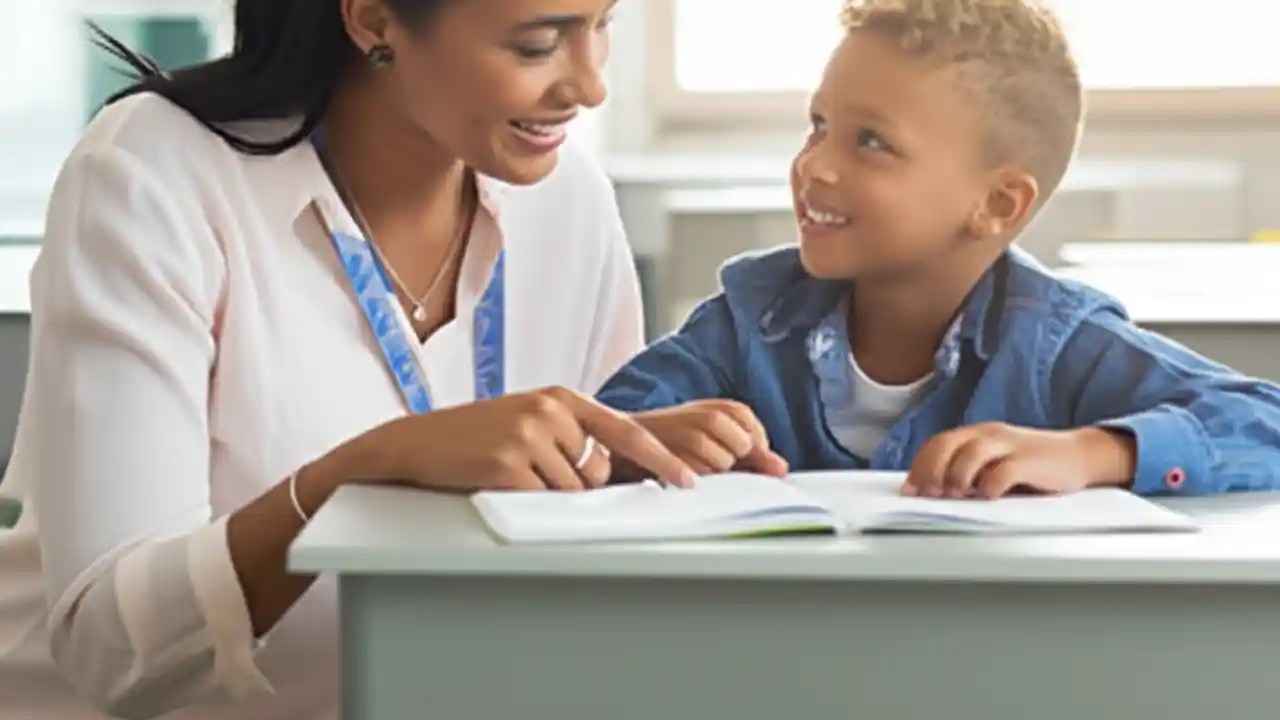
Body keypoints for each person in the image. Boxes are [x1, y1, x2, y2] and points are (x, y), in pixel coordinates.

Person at [0, 1, 774, 717]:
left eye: (603, 24)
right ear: (374, 20)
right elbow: (110, 647)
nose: (592, 85)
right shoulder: (153, 174)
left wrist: (628, 480)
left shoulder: (568, 201)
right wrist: (362, 472)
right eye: (538, 44)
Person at [597, 0, 1280, 501]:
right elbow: (601, 428)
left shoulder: (1058, 345)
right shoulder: (748, 322)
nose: (814, 166)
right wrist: (642, 439)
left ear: (998, 204)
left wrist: (1092, 453)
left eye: (871, 142)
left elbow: (1263, 421)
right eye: (819, 126)